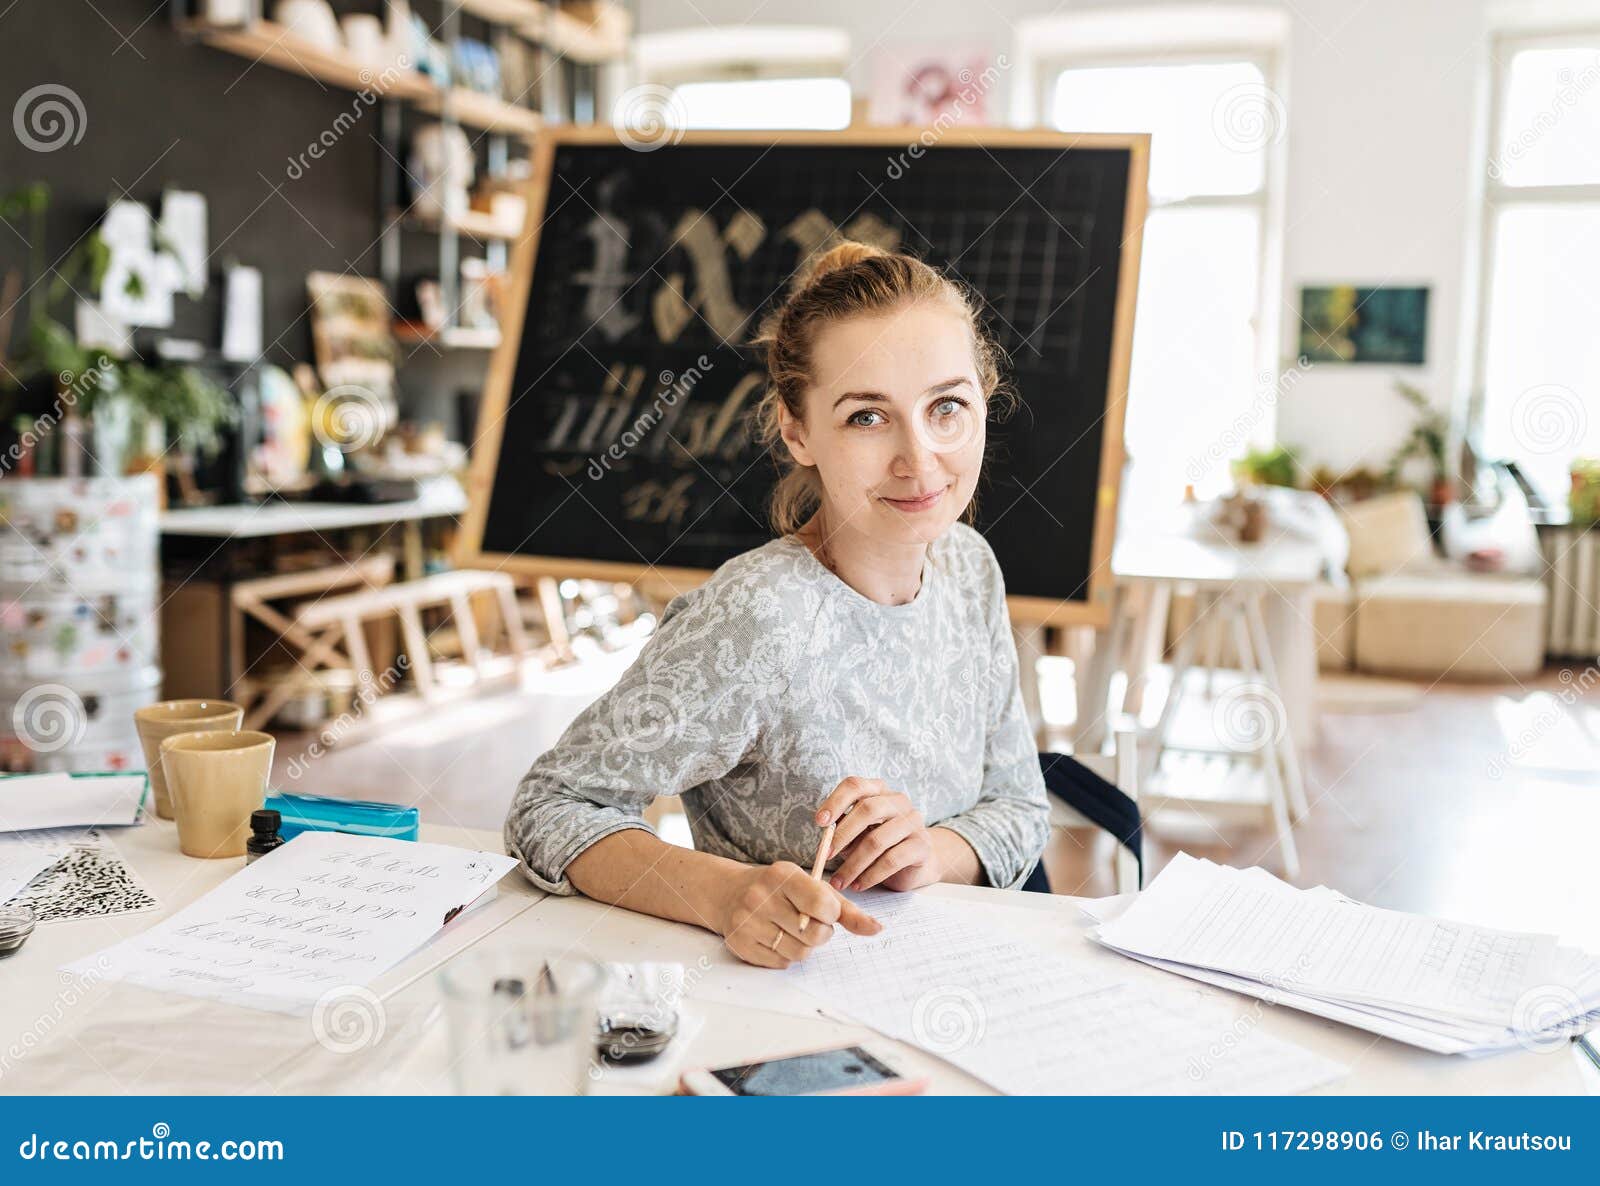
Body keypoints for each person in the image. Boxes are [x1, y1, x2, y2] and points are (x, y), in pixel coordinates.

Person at [505, 241, 1050, 968]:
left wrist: (931, 854)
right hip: (787, 1013)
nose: (919, 459)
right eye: (867, 418)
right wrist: (724, 894)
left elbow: (1020, 807)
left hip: (945, 984)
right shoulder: (758, 619)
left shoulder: (969, 567)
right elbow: (550, 805)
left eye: (947, 406)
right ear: (798, 432)